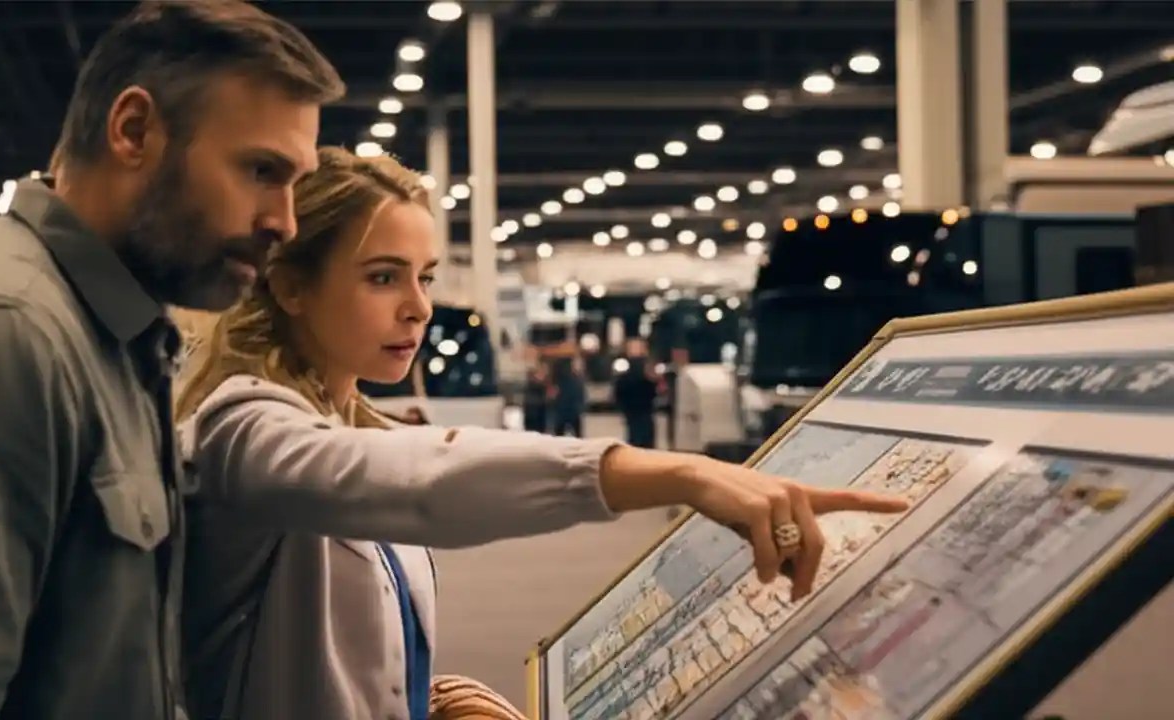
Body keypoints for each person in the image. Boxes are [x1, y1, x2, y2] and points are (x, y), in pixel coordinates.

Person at [174, 147, 909, 720]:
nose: (420, 309)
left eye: (426, 277)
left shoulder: (351, 423)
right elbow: (417, 483)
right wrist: (683, 475)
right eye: (383, 278)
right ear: (291, 285)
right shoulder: (238, 428)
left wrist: (423, 694)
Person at [0, 2, 343, 718]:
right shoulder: (5, 335)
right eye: (262, 170)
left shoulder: (121, 340)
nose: (284, 221)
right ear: (134, 131)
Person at [614, 338, 660, 448]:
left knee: (640, 435)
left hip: (641, 406)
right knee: (638, 435)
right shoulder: (628, 365)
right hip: (636, 407)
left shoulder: (645, 365)